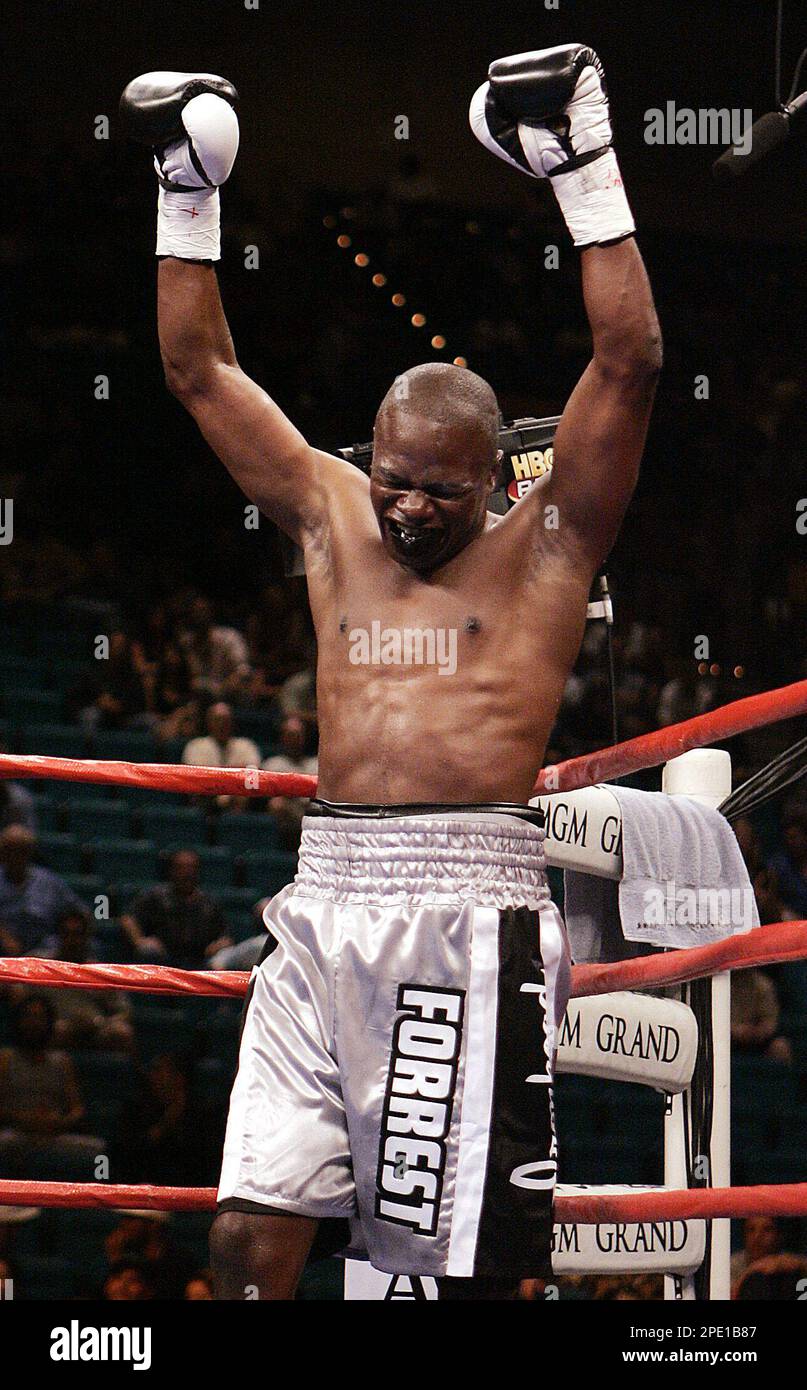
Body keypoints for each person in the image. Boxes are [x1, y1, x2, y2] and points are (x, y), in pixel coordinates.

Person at [123, 43, 661, 1300]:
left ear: (497, 476)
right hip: (321, 898)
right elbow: (197, 369)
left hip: (467, 910)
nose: (409, 506)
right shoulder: (329, 509)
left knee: (447, 1267)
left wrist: (585, 170)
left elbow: (628, 363)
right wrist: (184, 191)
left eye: (441, 487)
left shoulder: (551, 542)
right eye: (394, 474)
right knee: (249, 1236)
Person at [0, 996, 104, 1179]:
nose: (34, 1023)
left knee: (100, 1154)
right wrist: (26, 1119)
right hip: (17, 1133)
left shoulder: (62, 1061)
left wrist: (58, 1122)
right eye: (29, 1016)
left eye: (39, 1017)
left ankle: (100, 1200)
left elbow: (77, 1109)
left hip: (55, 1133)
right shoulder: (6, 1059)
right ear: (19, 1021)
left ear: (49, 1022)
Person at [120, 850, 231, 970]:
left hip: (199, 959)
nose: (187, 873)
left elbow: (226, 937)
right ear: (172, 870)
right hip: (163, 957)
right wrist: (140, 940)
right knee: (148, 952)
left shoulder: (209, 902)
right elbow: (128, 918)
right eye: (181, 868)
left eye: (191, 868)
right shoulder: (156, 896)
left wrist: (220, 944)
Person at [0, 824, 87, 954]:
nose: (16, 856)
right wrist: (4, 937)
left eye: (22, 850)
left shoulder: (48, 881)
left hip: (45, 953)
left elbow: (80, 912)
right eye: (11, 850)